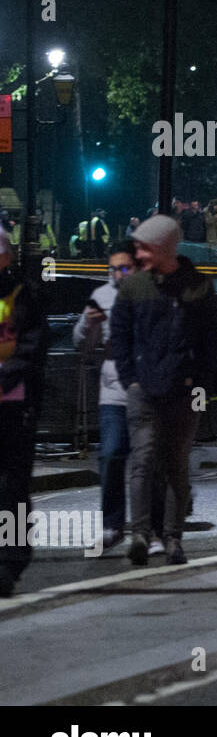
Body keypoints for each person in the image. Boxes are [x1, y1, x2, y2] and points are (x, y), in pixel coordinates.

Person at [110, 214, 217, 566]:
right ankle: (141, 533)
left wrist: (199, 386)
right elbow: (121, 338)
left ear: (162, 248)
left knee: (175, 465)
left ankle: (172, 538)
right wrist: (132, 381)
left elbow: (210, 345)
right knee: (142, 461)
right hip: (144, 390)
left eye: (143, 247)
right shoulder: (134, 288)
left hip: (183, 391)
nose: (137, 255)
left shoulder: (198, 288)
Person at [72, 241, 160, 551]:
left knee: (147, 461)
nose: (117, 274)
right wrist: (88, 325)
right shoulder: (102, 296)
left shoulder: (151, 293)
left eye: (123, 268)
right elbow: (82, 346)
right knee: (110, 455)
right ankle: (113, 524)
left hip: (147, 388)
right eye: (112, 269)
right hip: (113, 391)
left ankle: (149, 528)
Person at [0, 227, 50, 596]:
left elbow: (31, 350)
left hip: (15, 406)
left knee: (12, 486)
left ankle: (10, 559)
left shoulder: (25, 295)